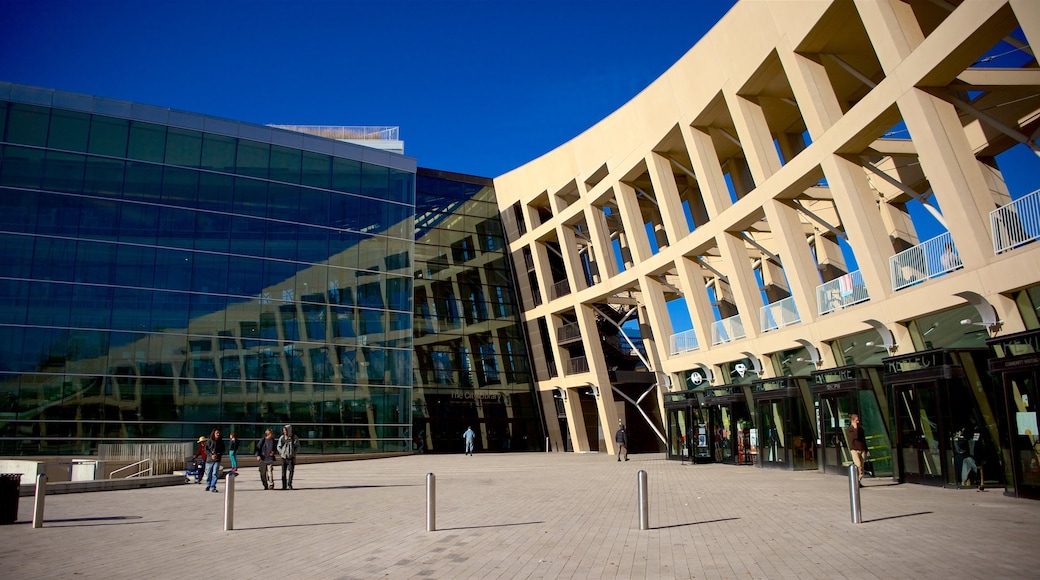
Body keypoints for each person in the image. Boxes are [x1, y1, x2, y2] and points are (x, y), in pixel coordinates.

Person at [845, 414, 868, 487]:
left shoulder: (861, 429)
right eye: (856, 420)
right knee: (858, 465)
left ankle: (858, 480)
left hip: (862, 449)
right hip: (854, 449)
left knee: (862, 466)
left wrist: (866, 450)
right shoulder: (849, 430)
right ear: (852, 421)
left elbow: (863, 440)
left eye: (858, 420)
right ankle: (855, 480)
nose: (857, 422)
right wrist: (855, 428)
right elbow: (855, 436)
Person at [277, 424, 299, 490]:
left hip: (291, 457)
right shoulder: (282, 437)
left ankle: (289, 484)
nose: (285, 432)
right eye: (283, 430)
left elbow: (297, 446)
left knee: (291, 471)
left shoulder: (294, 437)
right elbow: (278, 446)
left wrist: (294, 453)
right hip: (284, 457)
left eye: (286, 430)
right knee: (283, 472)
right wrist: (282, 452)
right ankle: (284, 485)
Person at [203, 428, 225, 493]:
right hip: (209, 460)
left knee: (215, 473)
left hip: (217, 460)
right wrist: (211, 455)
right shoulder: (209, 441)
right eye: (216, 433)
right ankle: (208, 485)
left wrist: (217, 455)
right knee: (208, 473)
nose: (218, 434)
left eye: (219, 433)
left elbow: (222, 450)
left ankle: (213, 486)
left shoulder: (221, 442)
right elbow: (206, 450)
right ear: (214, 434)